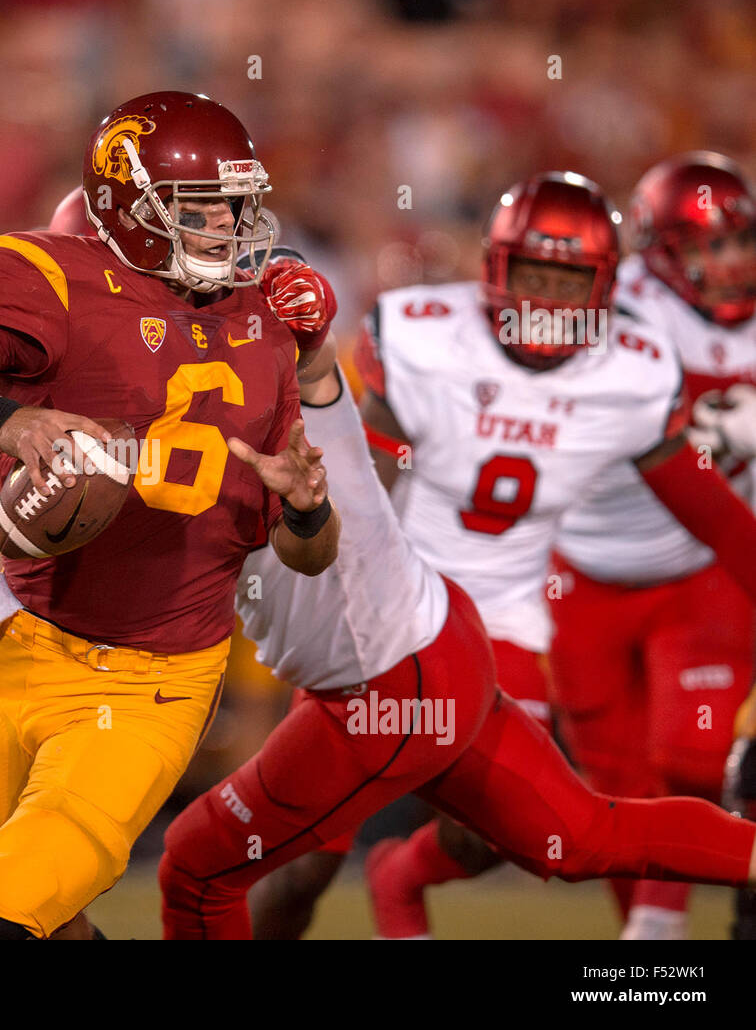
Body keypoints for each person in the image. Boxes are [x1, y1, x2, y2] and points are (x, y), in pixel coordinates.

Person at [0, 92, 339, 939]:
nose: (229, 227)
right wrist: (6, 420)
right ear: (125, 209)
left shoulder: (264, 322)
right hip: (24, 645)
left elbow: (306, 554)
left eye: (236, 204)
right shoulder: (51, 276)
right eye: (200, 207)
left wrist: (310, 512)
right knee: (38, 917)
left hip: (155, 681)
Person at [251, 172, 756, 939]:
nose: (547, 301)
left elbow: (715, 516)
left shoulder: (632, 373)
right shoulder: (424, 337)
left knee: (515, 835)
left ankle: (422, 893)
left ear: (603, 289)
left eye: (567, 280)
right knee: (300, 864)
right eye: (532, 276)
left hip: (502, 637)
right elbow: (362, 487)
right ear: (494, 269)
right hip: (386, 617)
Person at [550, 152, 756, 938]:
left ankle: (693, 901)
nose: (731, 263)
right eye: (709, 247)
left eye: (740, 243)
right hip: (583, 570)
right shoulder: (614, 310)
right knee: (614, 795)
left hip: (698, 563)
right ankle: (653, 950)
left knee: (693, 760)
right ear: (662, 255)